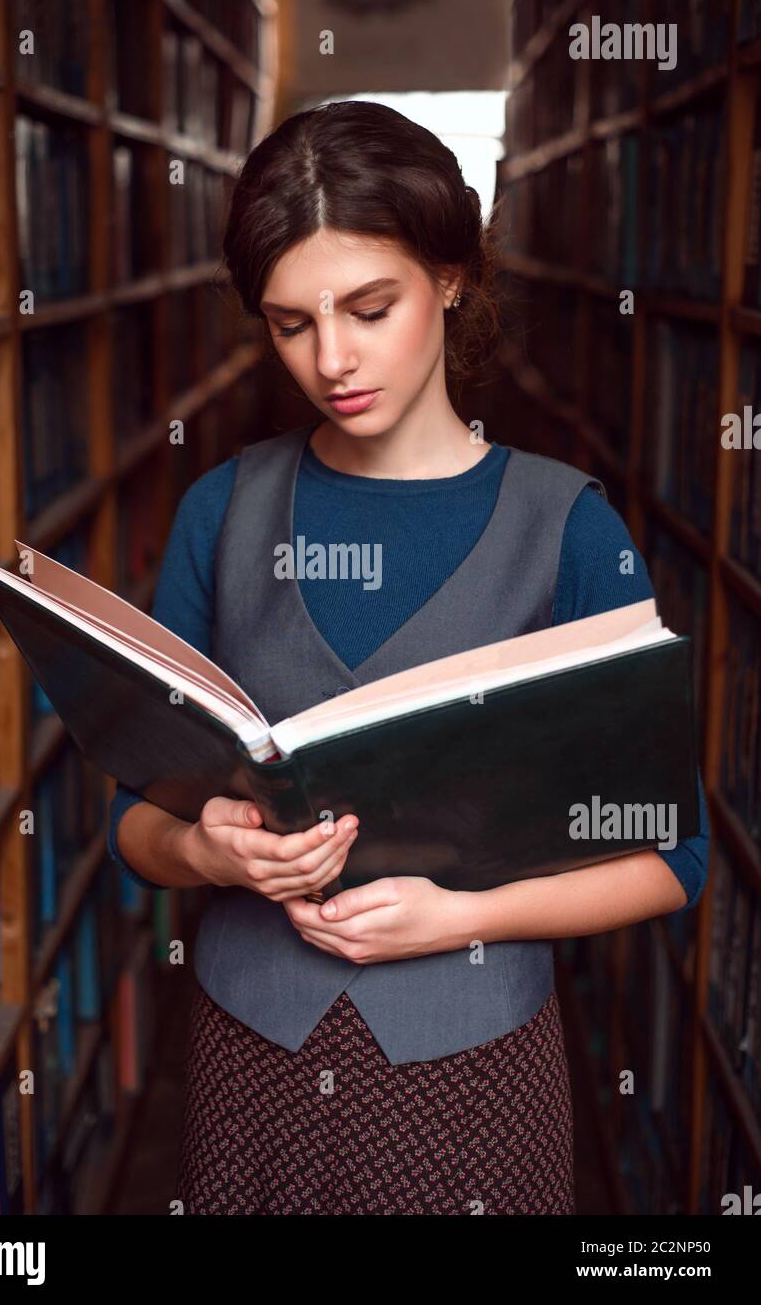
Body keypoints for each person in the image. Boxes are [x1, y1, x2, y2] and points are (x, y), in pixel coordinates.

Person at [106, 100, 710, 1216]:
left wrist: (465, 917)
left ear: (450, 277)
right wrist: (205, 848)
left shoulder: (568, 529)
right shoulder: (221, 514)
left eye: (370, 307)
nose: (332, 359)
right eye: (292, 324)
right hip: (252, 1060)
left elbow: (673, 860)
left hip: (472, 1065)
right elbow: (131, 826)